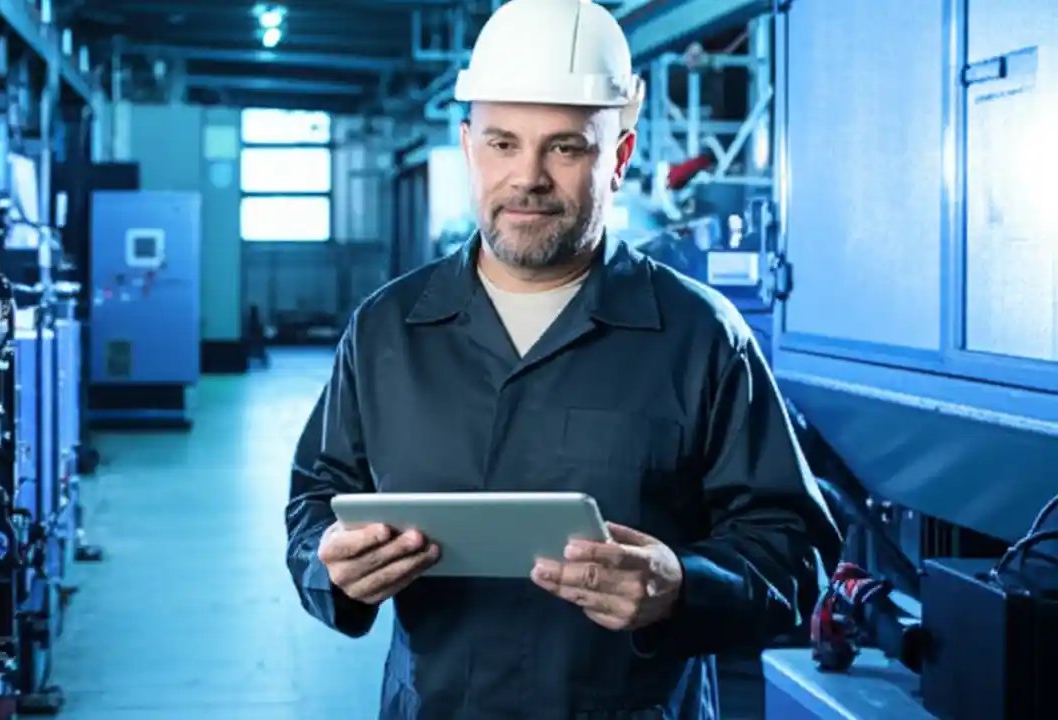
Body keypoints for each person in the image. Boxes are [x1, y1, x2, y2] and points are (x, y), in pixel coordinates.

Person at [285, 1, 841, 718]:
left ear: (620, 157)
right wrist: (330, 564)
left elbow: (792, 548)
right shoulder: (389, 330)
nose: (529, 177)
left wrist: (682, 587)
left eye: (566, 147)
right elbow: (314, 501)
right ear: (467, 147)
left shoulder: (701, 336)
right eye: (502, 143)